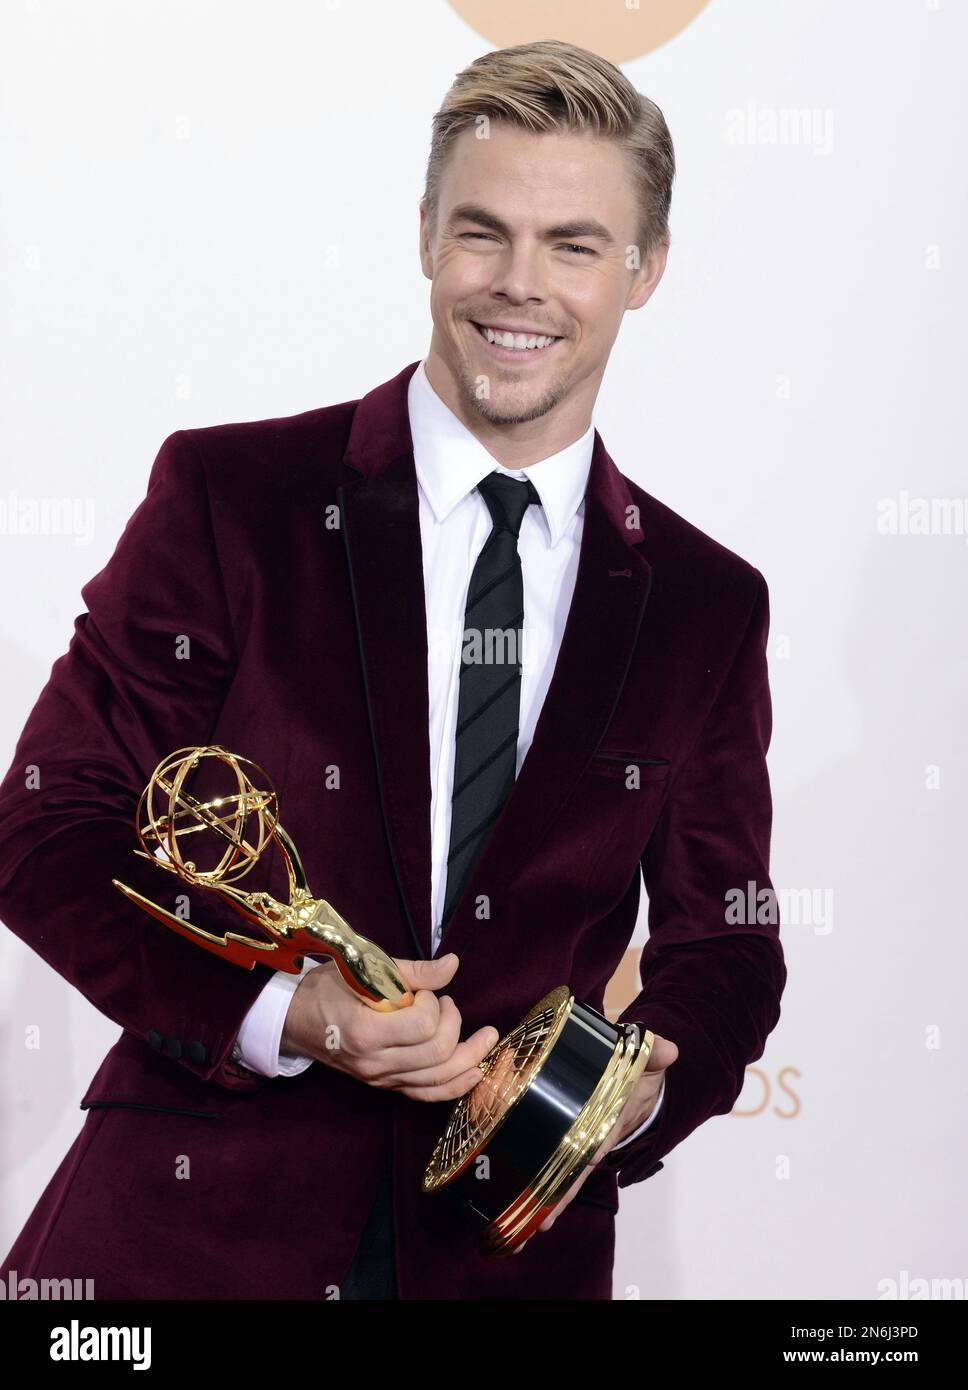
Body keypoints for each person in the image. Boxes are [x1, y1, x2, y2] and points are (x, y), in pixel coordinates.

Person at [0, 39, 785, 1301]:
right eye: (483, 234)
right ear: (424, 236)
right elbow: (48, 822)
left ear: (644, 271)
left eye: (574, 245)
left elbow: (725, 944)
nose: (518, 287)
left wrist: (621, 1102)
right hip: (185, 1249)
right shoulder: (232, 500)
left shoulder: (704, 603)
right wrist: (289, 1013)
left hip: (505, 1260)